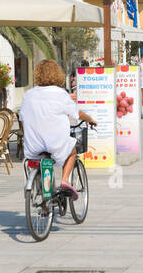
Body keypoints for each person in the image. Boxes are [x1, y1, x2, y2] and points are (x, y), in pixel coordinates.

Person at [21, 60, 97, 198]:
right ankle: (65, 180)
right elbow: (77, 113)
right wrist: (89, 119)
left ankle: (43, 200)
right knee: (72, 150)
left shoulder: (28, 94)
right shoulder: (60, 94)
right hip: (55, 143)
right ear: (58, 74)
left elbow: (22, 117)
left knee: (38, 162)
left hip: (32, 145)